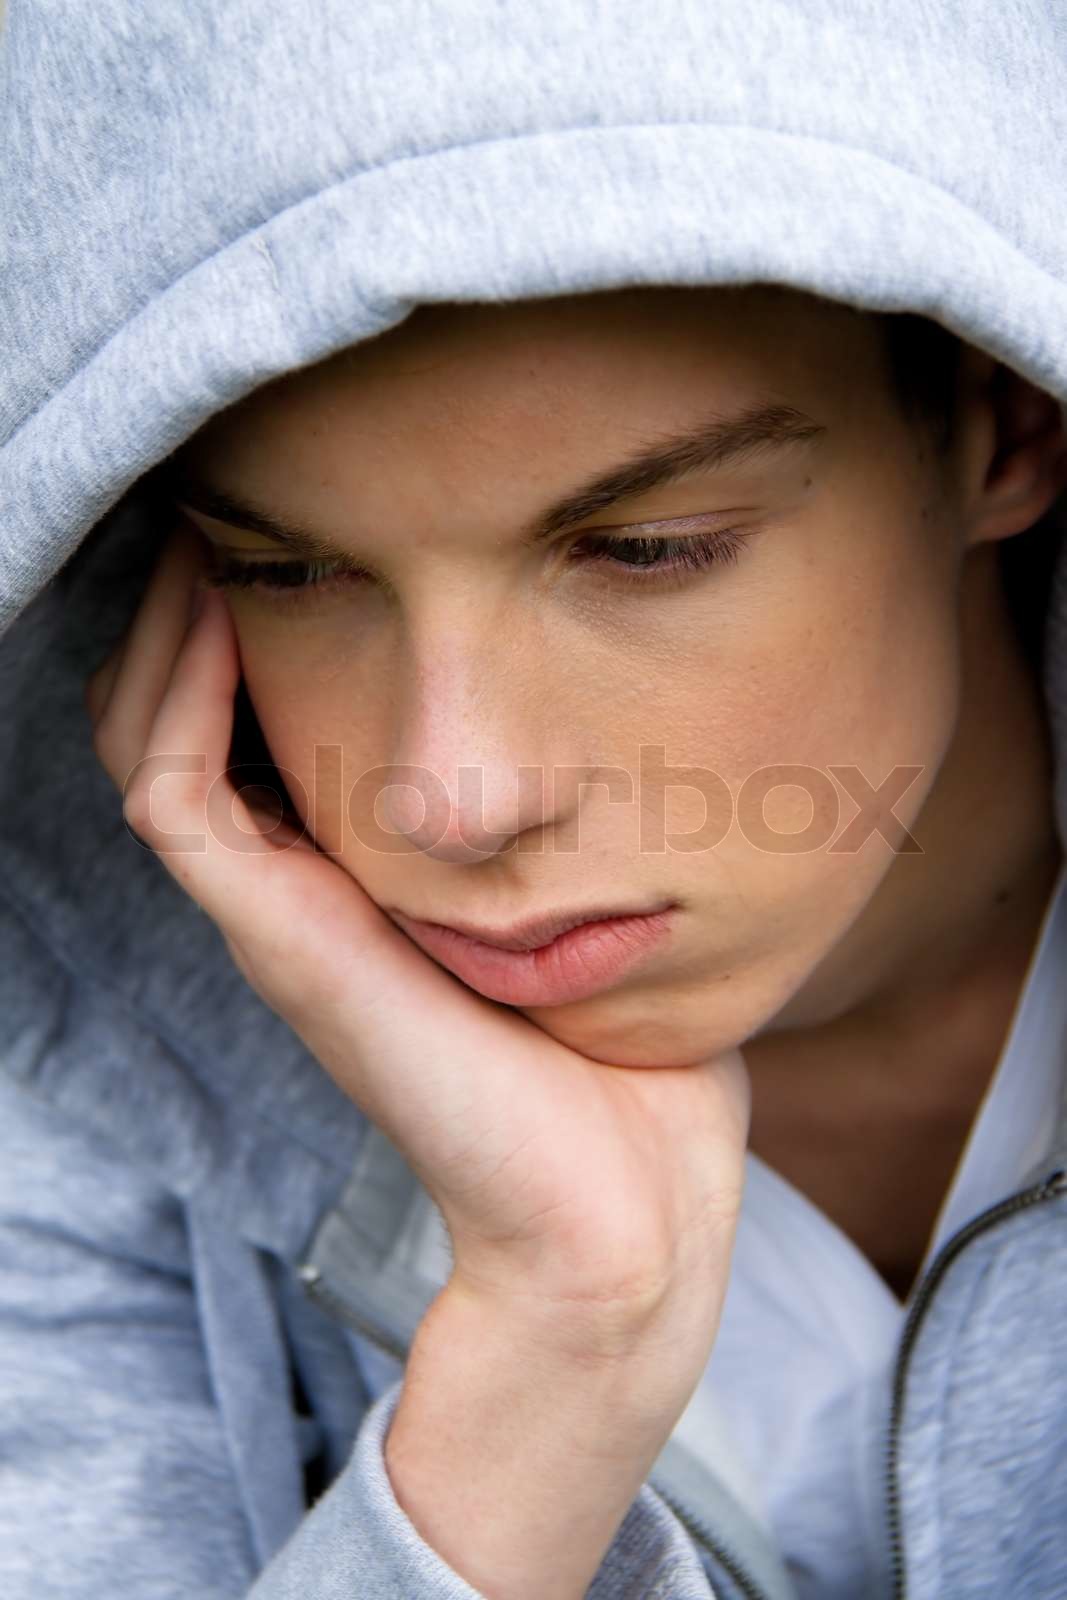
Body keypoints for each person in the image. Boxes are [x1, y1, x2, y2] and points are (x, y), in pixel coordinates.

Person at [1, 5, 1065, 1600]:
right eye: (291, 572)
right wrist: (553, 1362)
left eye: (644, 551)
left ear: (1002, 422)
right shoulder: (88, 1083)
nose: (451, 795)